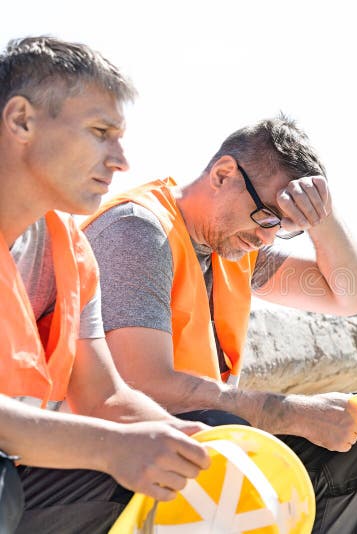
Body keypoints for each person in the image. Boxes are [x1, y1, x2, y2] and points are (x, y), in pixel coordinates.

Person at [83, 115, 357, 533]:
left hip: (192, 441)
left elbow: (353, 296)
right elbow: (143, 387)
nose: (266, 238)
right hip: (100, 464)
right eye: (266, 216)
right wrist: (288, 413)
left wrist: (323, 220)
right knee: (226, 430)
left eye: (283, 229)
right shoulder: (137, 231)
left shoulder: (235, 249)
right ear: (224, 174)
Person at [0, 36, 212, 534]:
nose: (120, 160)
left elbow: (105, 399)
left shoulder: (71, 253)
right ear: (21, 121)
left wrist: (182, 439)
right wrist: (113, 448)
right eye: (101, 132)